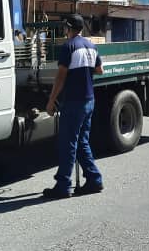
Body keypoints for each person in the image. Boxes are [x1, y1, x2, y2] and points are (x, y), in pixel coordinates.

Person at [44, 14, 104, 199]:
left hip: (73, 102)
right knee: (82, 142)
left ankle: (63, 185)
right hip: (89, 101)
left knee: (68, 144)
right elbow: (99, 70)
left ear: (68, 28)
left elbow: (60, 77)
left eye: (65, 27)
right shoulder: (91, 46)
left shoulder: (69, 46)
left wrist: (51, 100)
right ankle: (94, 180)